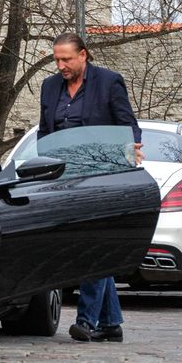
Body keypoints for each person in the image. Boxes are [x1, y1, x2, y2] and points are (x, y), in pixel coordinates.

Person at [37, 32, 140, 344]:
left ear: (83, 55)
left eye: (66, 59)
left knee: (93, 243)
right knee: (89, 244)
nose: (61, 65)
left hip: (101, 176)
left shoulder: (109, 82)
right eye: (57, 59)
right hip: (65, 178)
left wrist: (129, 152)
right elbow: (45, 132)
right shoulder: (50, 86)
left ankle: (86, 320)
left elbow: (128, 126)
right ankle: (111, 323)